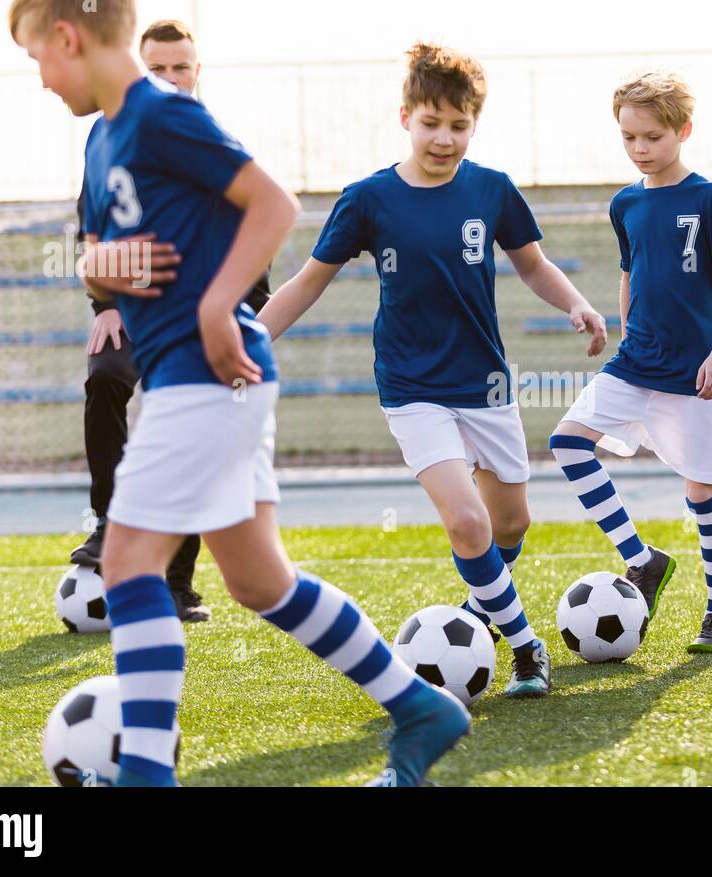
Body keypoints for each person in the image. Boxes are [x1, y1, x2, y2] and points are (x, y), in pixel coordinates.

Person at [11, 0, 468, 786]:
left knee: (125, 569)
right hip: (199, 377)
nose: (43, 82)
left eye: (37, 60)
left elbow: (272, 205)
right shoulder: (102, 136)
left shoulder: (161, 115)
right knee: (260, 581)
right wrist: (109, 271)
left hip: (206, 372)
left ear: (68, 37)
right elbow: (94, 259)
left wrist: (219, 302)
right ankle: (422, 708)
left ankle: (146, 775)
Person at [258, 42, 608, 698]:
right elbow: (308, 282)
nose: (444, 139)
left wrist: (578, 303)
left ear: (473, 125)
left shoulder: (493, 190)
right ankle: (528, 647)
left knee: (509, 526)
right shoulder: (368, 199)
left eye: (458, 126)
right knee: (469, 523)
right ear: (405, 117)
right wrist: (250, 340)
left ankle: (479, 614)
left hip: (487, 385)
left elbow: (532, 263)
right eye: (431, 123)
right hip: (412, 386)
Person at [70, 18, 273, 624]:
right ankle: (111, 524)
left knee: (259, 573)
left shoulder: (202, 135)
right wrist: (104, 302)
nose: (169, 78)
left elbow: (263, 220)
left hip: (209, 315)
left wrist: (231, 311)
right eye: (156, 67)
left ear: (197, 71)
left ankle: (178, 585)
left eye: (180, 67)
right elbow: (93, 226)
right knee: (106, 376)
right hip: (137, 309)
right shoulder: (108, 134)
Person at [549, 71, 712, 653]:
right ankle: (642, 558)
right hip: (636, 361)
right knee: (567, 442)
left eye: (652, 137)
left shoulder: (710, 200)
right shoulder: (625, 203)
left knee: (703, 493)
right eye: (629, 137)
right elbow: (631, 273)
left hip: (696, 373)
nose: (640, 148)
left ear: (683, 130)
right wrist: (621, 331)